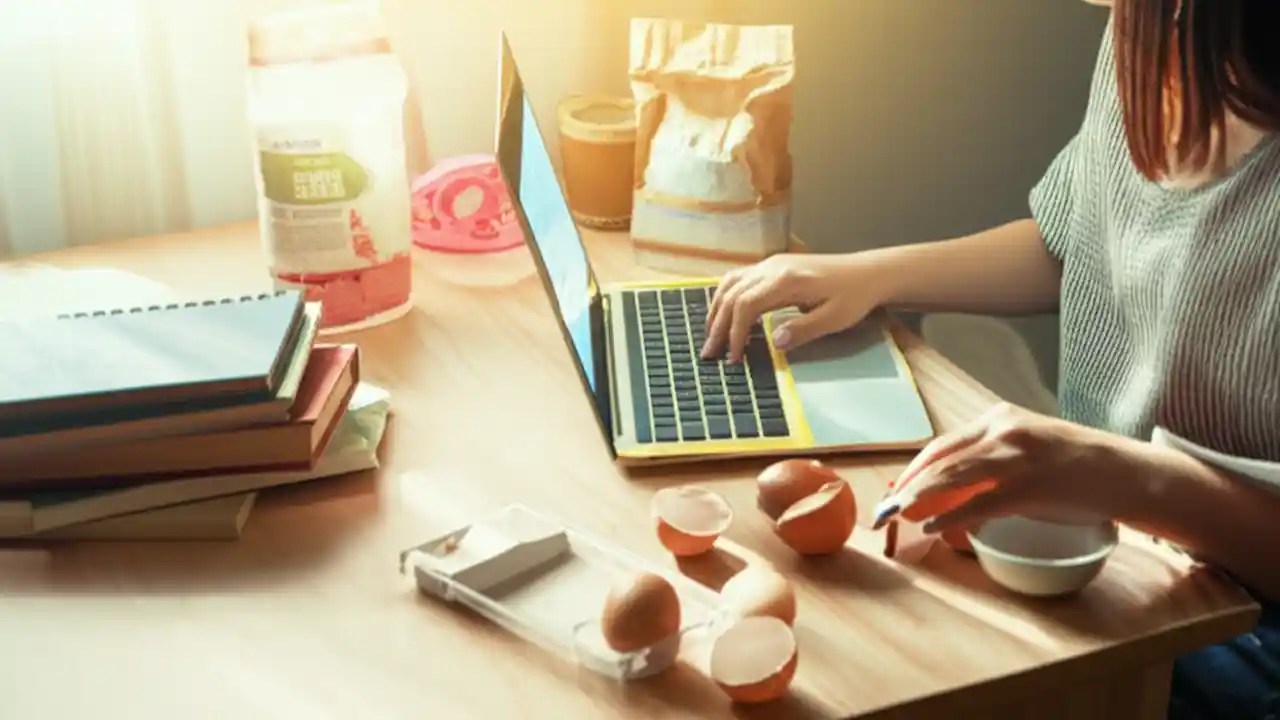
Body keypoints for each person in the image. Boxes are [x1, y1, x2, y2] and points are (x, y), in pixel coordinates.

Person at [701, 1, 1279, 717]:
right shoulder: (1145, 33)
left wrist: (1121, 476)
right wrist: (871, 276)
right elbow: (1069, 245)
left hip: (1244, 620)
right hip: (1110, 543)